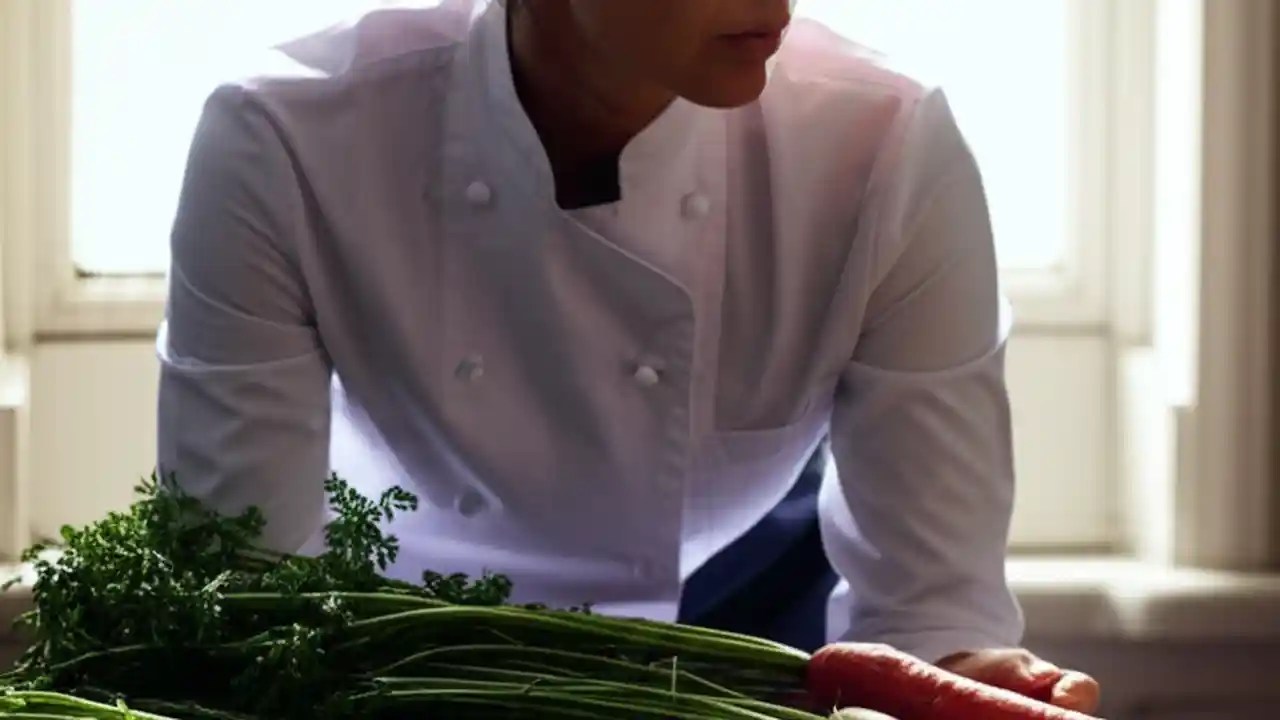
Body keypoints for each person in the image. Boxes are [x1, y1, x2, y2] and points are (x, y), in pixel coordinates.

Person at [156, 0, 1100, 712]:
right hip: (391, 639)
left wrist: (967, 678)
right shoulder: (283, 141)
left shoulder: (887, 144)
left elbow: (930, 611)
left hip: (750, 616)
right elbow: (242, 599)